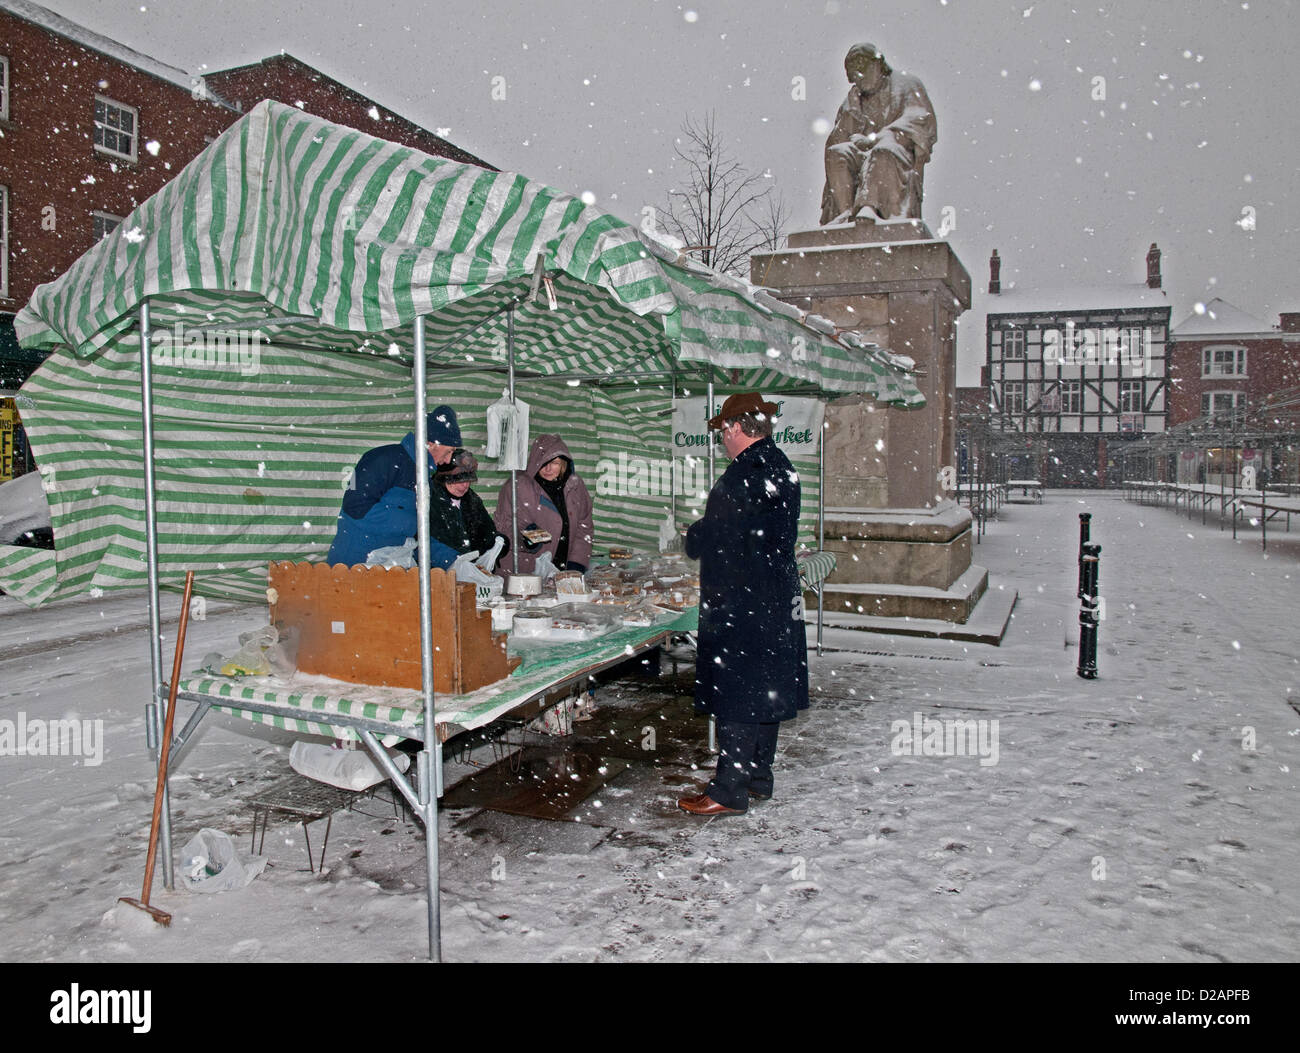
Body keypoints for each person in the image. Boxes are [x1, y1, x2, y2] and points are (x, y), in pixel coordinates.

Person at [677, 392, 809, 816]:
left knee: (737, 691)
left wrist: (693, 536)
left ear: (735, 428)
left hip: (743, 598)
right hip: (772, 593)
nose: (722, 440)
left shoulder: (744, 473)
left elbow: (718, 533)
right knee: (764, 688)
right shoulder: (780, 465)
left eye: (722, 432)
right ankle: (756, 776)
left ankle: (728, 789)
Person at [325, 405, 462, 566]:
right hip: (352, 567)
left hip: (389, 570)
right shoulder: (379, 459)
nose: (448, 460)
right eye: (448, 451)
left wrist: (453, 562)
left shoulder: (425, 479)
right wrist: (414, 523)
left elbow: (420, 536)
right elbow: (355, 508)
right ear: (430, 443)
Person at [820, 42, 937, 224]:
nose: (858, 80)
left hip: (897, 155)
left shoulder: (906, 85)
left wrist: (876, 138)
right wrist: (851, 127)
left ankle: (869, 208)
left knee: (883, 150)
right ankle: (846, 215)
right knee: (838, 153)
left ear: (876, 64)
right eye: (854, 77)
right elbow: (839, 136)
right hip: (862, 156)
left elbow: (919, 119)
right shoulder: (853, 99)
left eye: (862, 72)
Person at [493, 434, 594, 575]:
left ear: (563, 464)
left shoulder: (575, 486)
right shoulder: (518, 485)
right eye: (543, 463)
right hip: (524, 571)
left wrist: (576, 564)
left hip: (562, 569)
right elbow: (504, 526)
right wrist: (525, 539)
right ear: (535, 462)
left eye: (555, 463)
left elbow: (584, 526)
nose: (548, 469)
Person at [428, 448, 510, 569]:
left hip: (470, 574)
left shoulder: (471, 499)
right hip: (438, 574)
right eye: (458, 480)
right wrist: (455, 561)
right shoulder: (430, 498)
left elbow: (486, 531)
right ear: (445, 478)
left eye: (468, 480)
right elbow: (427, 543)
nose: (465, 485)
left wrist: (498, 542)